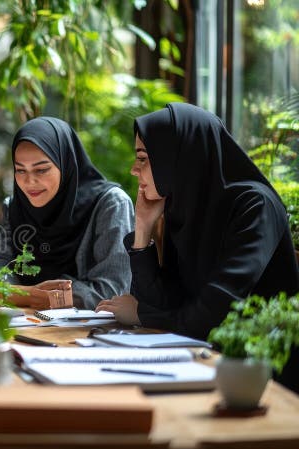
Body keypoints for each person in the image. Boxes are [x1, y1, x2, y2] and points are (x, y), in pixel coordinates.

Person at [95, 102, 299, 390]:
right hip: (203, 363)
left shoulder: (255, 206)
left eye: (143, 158)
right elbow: (162, 300)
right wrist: (143, 230)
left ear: (176, 156)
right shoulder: (186, 208)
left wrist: (143, 314)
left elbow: (215, 310)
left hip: (261, 377)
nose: (133, 170)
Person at [0, 117, 134, 309]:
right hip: (27, 326)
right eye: (20, 170)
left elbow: (112, 290)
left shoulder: (110, 204)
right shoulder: (14, 206)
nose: (29, 182)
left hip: (93, 332)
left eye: (41, 170)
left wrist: (33, 296)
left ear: (65, 163)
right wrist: (32, 295)